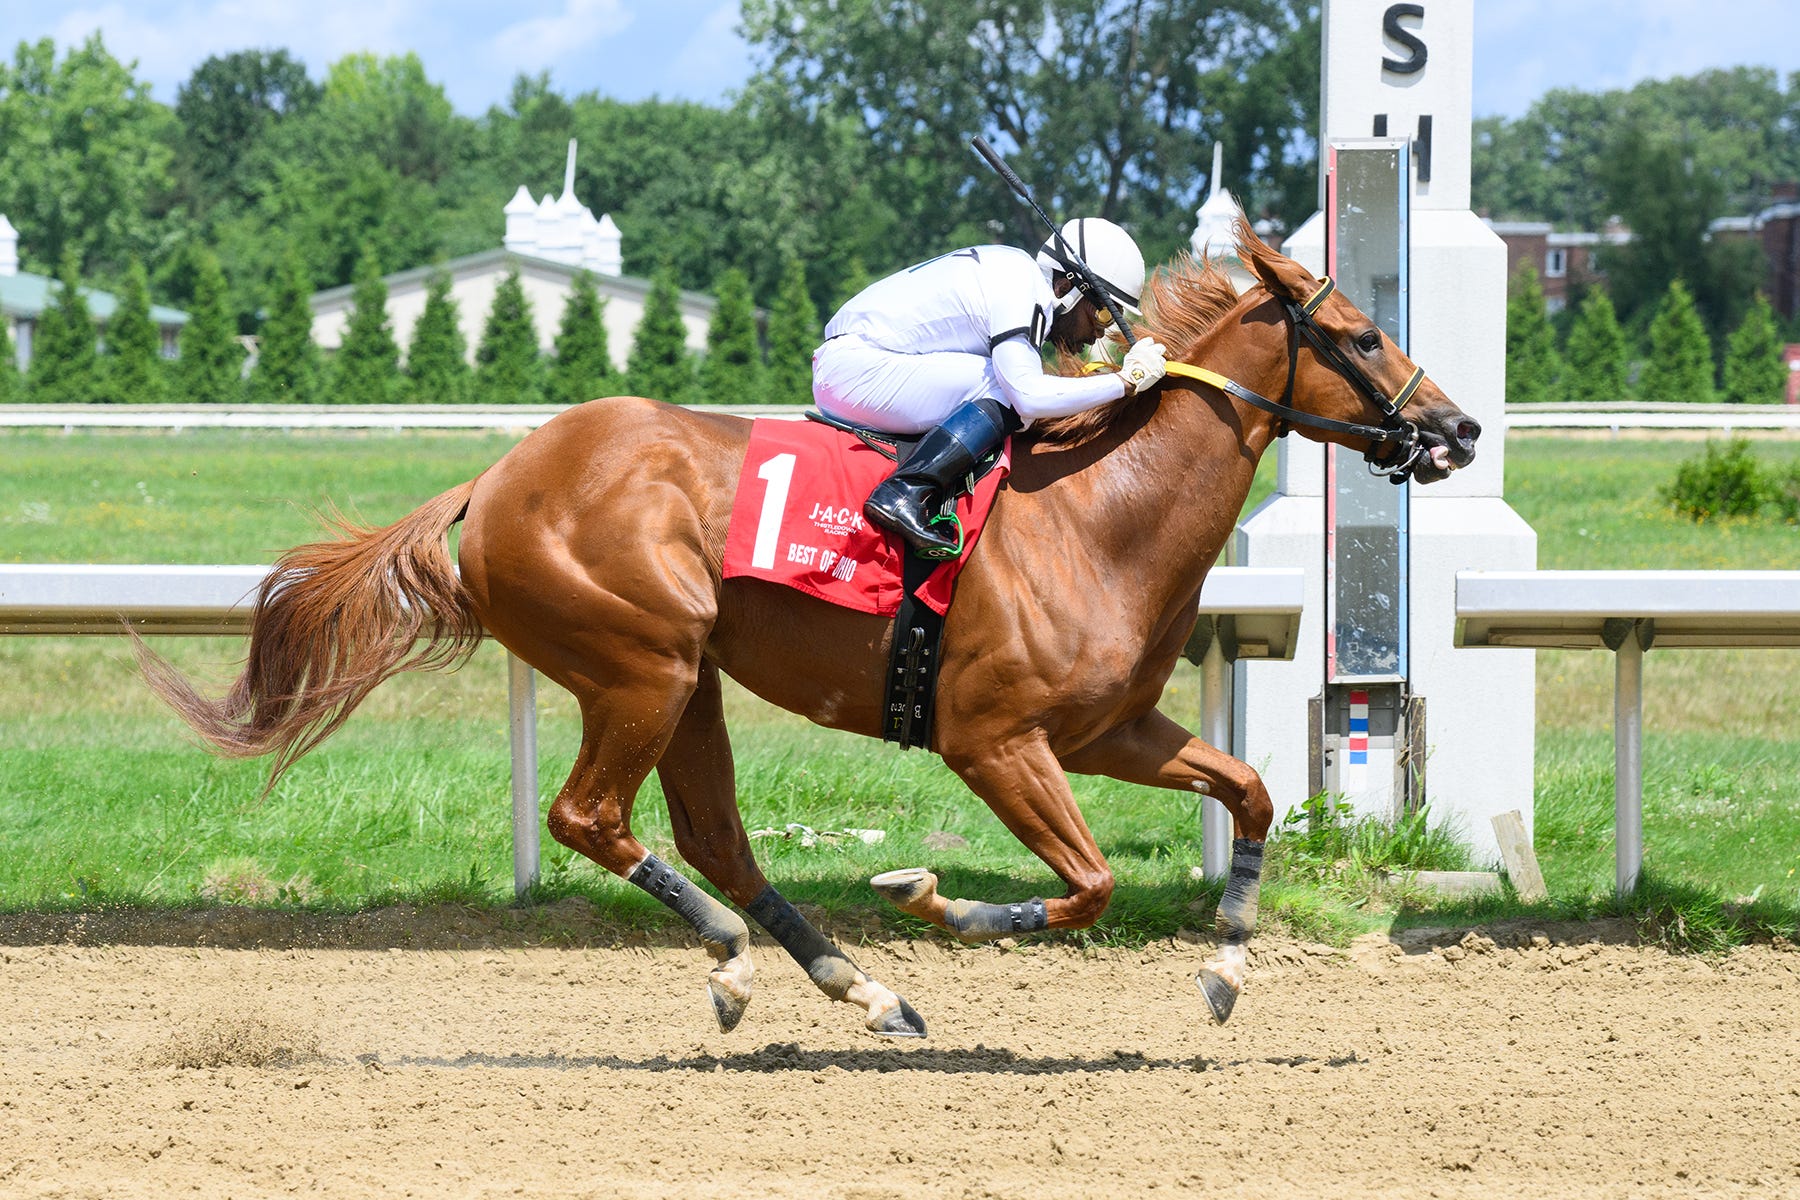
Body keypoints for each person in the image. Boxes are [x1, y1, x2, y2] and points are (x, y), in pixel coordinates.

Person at [813, 217, 1169, 556]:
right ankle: (905, 491)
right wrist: (1125, 382)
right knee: (1007, 389)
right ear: (1066, 288)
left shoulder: (1015, 272)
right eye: (1103, 314)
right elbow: (1027, 397)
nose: (1101, 332)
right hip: (854, 369)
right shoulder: (1023, 287)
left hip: (856, 364)